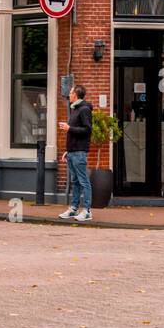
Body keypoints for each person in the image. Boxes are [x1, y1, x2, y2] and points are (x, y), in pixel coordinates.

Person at [58, 83, 93, 223]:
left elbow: (87, 130)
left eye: (71, 93)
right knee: (76, 181)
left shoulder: (84, 109)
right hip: (73, 152)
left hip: (79, 152)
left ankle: (87, 211)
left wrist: (69, 128)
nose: (69, 95)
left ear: (76, 95)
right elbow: (74, 132)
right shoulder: (76, 109)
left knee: (84, 181)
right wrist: (67, 151)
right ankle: (73, 208)